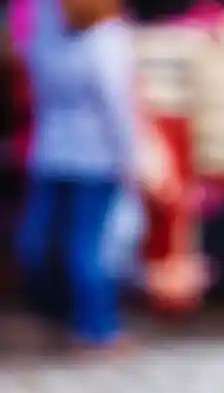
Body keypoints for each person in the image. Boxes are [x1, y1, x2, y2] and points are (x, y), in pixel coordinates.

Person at [18, 0, 136, 350]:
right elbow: (118, 108)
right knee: (90, 247)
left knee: (54, 242)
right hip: (96, 155)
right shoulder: (108, 40)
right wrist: (131, 158)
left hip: (53, 151)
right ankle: (97, 326)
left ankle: (66, 319)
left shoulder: (46, 35)